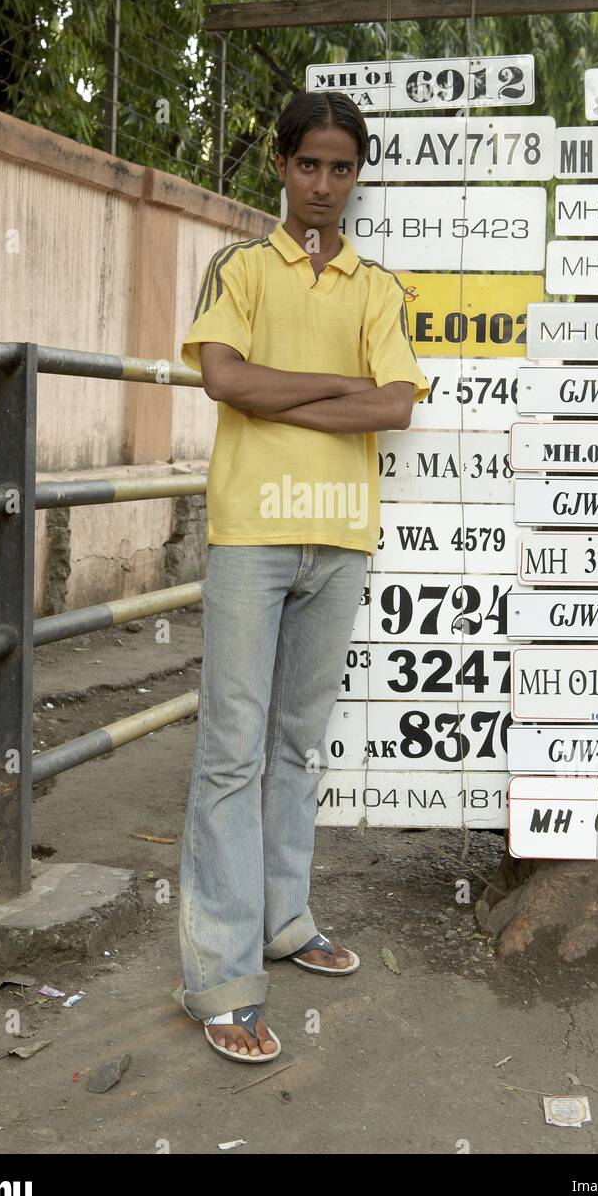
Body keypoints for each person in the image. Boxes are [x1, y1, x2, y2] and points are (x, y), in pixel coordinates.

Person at [173, 88, 431, 1062]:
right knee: (231, 750)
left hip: (341, 536)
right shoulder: (238, 267)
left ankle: (285, 919)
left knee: (295, 743)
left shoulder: (375, 285)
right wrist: (336, 386)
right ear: (280, 166)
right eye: (308, 163)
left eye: (341, 167)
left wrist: (293, 393)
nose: (323, 184)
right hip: (251, 534)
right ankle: (220, 979)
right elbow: (224, 379)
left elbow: (396, 406)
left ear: (355, 175)